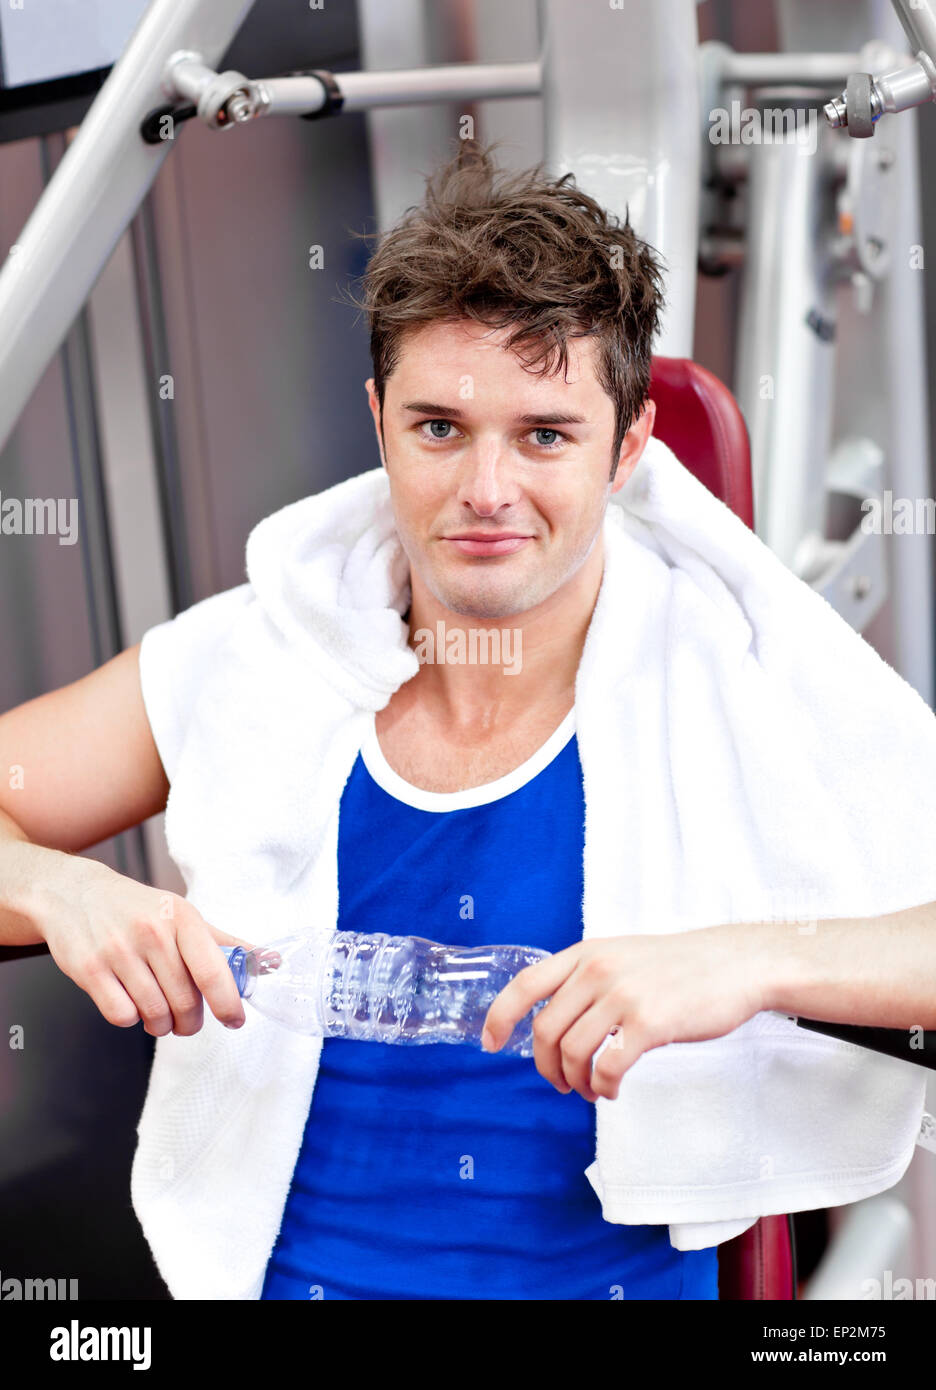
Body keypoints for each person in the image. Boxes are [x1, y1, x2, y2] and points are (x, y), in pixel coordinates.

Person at [1, 138, 935, 1301]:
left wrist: (742, 961)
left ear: (629, 446)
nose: (487, 491)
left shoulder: (735, 676)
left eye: (546, 434)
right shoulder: (263, 654)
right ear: (379, 420)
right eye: (441, 427)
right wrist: (57, 885)